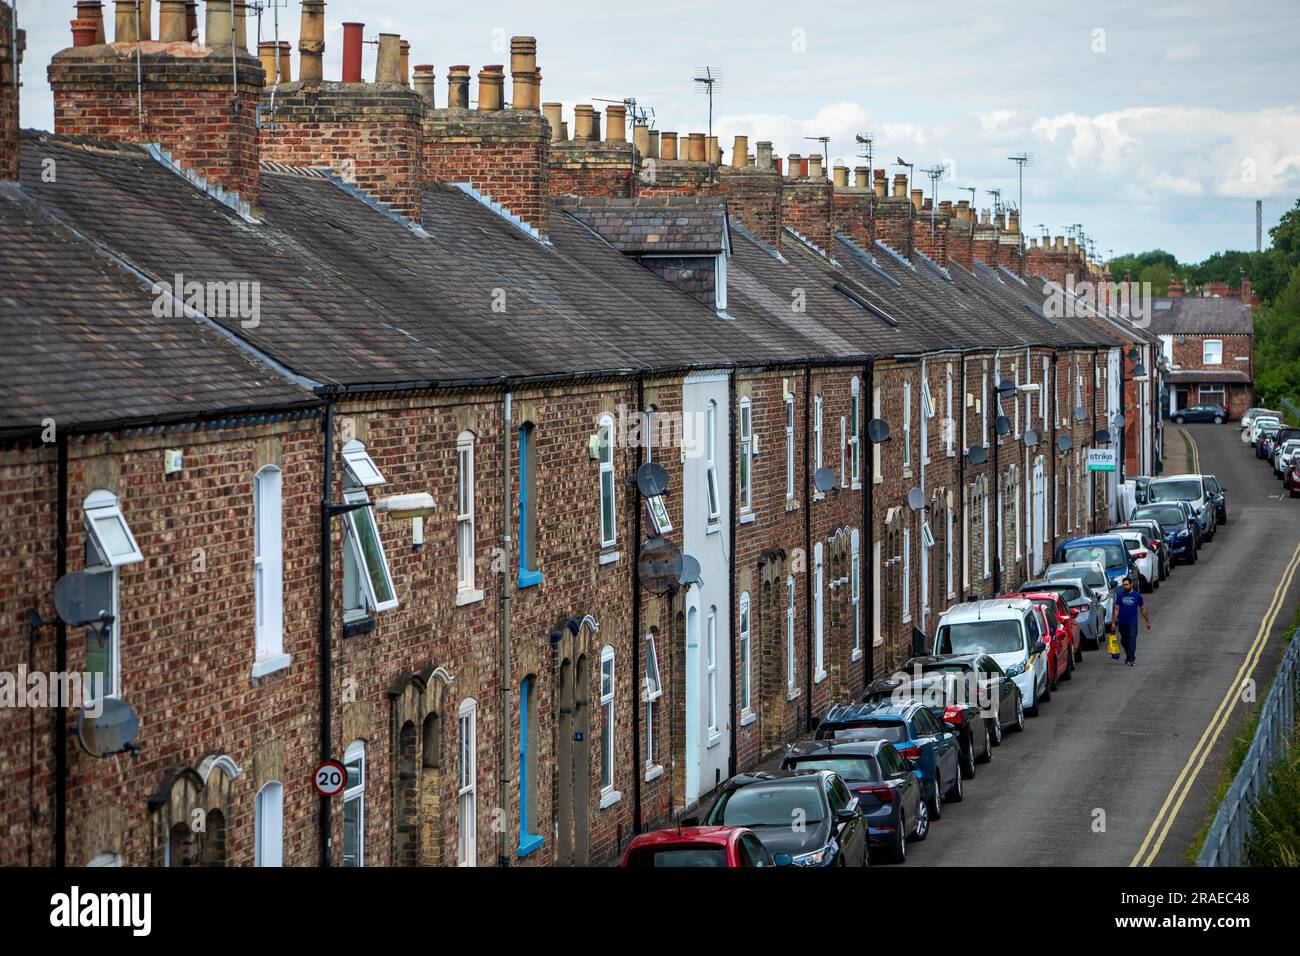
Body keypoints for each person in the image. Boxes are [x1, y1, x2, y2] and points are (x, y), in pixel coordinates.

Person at [1112, 576, 1151, 666]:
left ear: (1131, 584)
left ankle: (1131, 658)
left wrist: (1147, 621)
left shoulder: (1137, 596)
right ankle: (1129, 656)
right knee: (1124, 641)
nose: (1125, 586)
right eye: (1123, 585)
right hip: (1122, 622)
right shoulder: (1120, 596)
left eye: (1126, 584)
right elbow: (1116, 609)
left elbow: (1143, 609)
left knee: (1132, 639)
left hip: (1132, 622)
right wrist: (1114, 622)